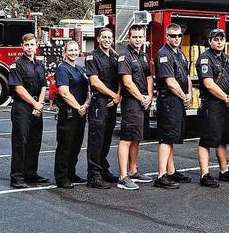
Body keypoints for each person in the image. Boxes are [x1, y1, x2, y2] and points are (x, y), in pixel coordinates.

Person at [196, 28, 229, 187]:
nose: (219, 42)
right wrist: (226, 98)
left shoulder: (227, 59)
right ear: (210, 41)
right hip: (212, 105)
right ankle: (204, 175)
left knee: (222, 139)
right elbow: (208, 84)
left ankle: (224, 171)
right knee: (206, 140)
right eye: (216, 39)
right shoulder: (205, 59)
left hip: (226, 106)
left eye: (221, 39)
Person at [153, 23, 193, 189]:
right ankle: (161, 175)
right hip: (169, 100)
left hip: (178, 100)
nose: (177, 38)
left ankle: (171, 171)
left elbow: (187, 76)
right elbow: (170, 82)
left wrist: (190, 93)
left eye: (179, 36)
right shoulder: (164, 54)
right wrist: (184, 96)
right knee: (166, 137)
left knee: (172, 137)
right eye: (173, 36)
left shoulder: (180, 53)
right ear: (167, 37)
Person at [8, 33, 48, 189]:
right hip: (22, 107)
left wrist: (40, 104)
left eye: (32, 44)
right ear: (22, 46)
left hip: (37, 105)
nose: (29, 47)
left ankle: (31, 173)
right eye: (27, 45)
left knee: (35, 141)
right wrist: (35, 103)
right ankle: (17, 177)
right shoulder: (17, 65)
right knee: (21, 142)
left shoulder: (40, 64)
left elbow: (43, 85)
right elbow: (18, 88)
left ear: (36, 46)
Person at [117, 26, 154, 191]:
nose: (138, 39)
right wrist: (142, 98)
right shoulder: (124, 56)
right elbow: (127, 82)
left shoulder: (143, 56)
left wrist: (150, 96)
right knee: (126, 138)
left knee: (136, 138)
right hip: (132, 102)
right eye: (135, 37)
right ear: (129, 38)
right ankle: (123, 177)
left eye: (140, 37)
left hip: (143, 101)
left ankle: (133, 171)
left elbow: (149, 77)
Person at [86, 27, 121, 189]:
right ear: (98, 39)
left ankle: (102, 169)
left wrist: (117, 96)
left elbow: (121, 79)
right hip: (98, 102)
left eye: (109, 37)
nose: (107, 40)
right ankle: (93, 175)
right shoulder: (92, 57)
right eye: (104, 37)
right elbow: (94, 82)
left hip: (112, 103)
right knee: (96, 139)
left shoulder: (115, 57)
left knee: (107, 138)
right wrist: (114, 95)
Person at [53, 40, 89, 189]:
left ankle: (71, 173)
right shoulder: (62, 69)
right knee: (65, 146)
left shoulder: (80, 69)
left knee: (76, 145)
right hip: (68, 113)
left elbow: (88, 88)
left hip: (80, 112)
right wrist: (79, 107)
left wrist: (85, 105)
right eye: (70, 50)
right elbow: (64, 93)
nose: (73, 53)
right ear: (65, 52)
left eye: (75, 50)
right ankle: (61, 177)